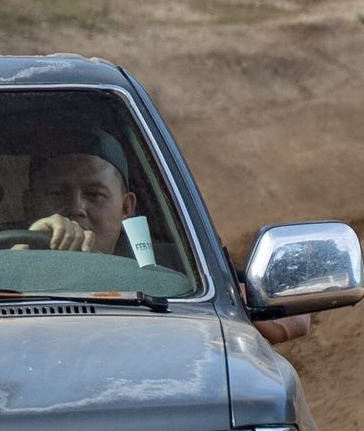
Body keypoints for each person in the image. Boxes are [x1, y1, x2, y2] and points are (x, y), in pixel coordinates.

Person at [22, 142, 311, 348]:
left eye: (95, 194)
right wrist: (21, 262)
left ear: (126, 208)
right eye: (57, 192)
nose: (76, 208)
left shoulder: (172, 271)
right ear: (29, 203)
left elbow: (295, 317)